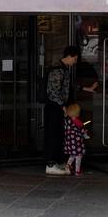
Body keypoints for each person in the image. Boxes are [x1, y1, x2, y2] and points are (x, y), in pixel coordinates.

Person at [44, 45, 80, 176]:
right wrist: (63, 106)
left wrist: (85, 89)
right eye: (75, 59)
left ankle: (55, 162)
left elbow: (69, 87)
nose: (75, 62)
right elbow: (52, 91)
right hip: (54, 107)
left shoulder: (64, 70)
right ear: (69, 56)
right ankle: (50, 164)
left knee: (58, 134)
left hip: (57, 107)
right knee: (53, 134)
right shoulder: (58, 70)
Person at [63, 102, 89, 176]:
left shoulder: (67, 121)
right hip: (77, 143)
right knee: (78, 156)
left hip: (69, 143)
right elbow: (82, 131)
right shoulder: (78, 122)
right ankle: (77, 171)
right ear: (77, 113)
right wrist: (85, 134)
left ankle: (67, 167)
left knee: (72, 156)